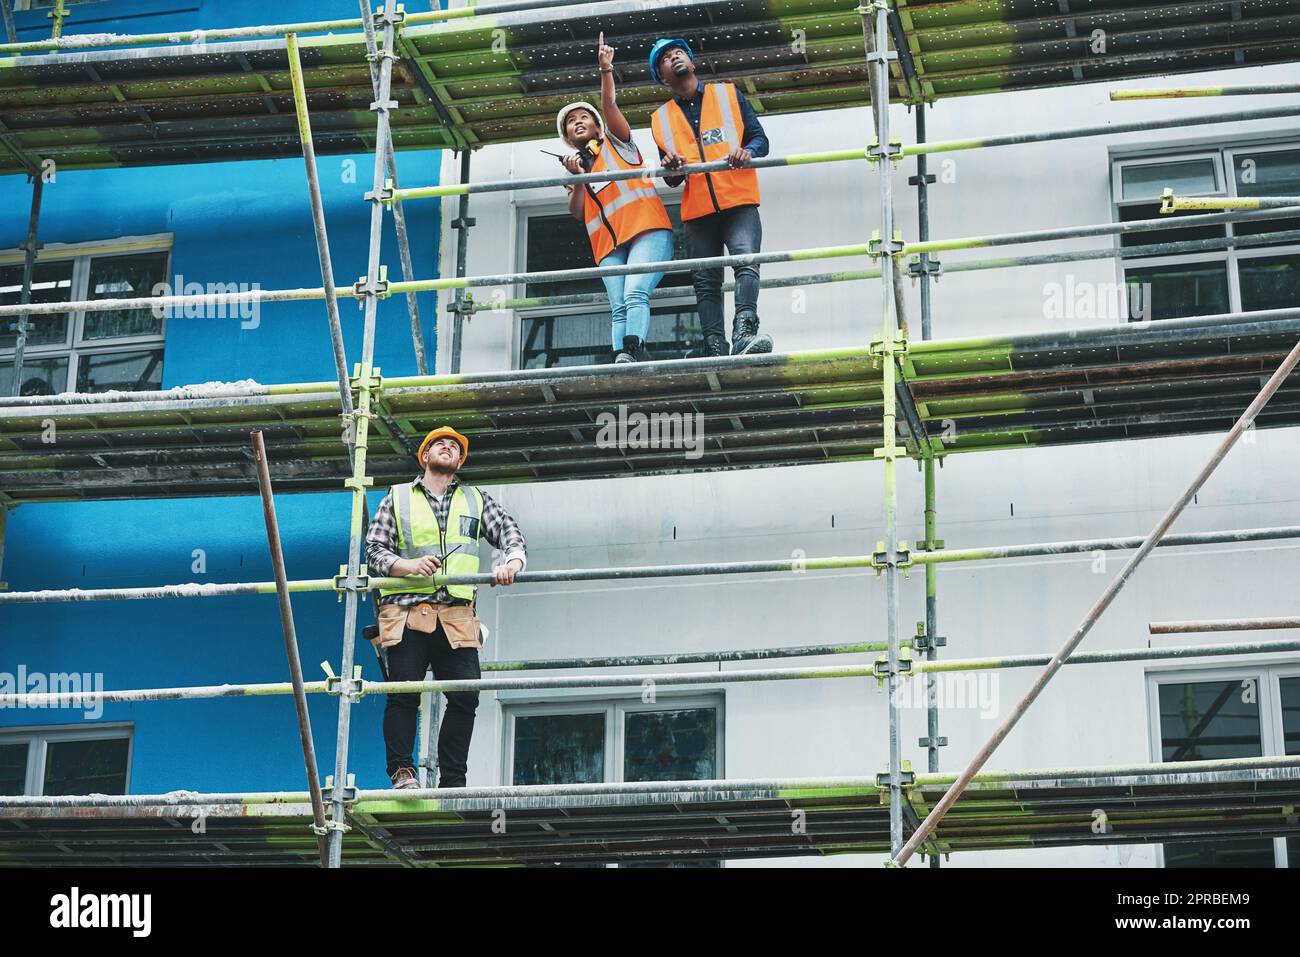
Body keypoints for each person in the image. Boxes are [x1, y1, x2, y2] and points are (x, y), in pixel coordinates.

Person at [364, 426, 528, 789]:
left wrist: (509, 565)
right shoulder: (398, 498)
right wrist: (408, 566)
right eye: (439, 443)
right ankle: (403, 772)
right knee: (404, 693)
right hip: (408, 611)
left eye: (455, 446)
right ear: (425, 456)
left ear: (460, 461)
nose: (448, 446)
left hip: (456, 615)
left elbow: (510, 534)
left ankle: (452, 780)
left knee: (465, 696)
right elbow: (374, 550)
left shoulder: (475, 499)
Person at [648, 37, 774, 358]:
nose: (674, 57)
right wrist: (671, 168)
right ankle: (715, 346)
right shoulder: (660, 119)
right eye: (665, 57)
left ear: (692, 62)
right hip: (698, 210)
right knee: (705, 281)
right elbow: (673, 179)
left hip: (738, 200)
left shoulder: (728, 94)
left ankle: (745, 334)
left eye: (679, 52)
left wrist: (748, 152)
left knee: (745, 263)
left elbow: (760, 139)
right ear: (663, 77)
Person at [558, 32, 674, 364]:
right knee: (618, 304)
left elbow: (609, 105)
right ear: (567, 137)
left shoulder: (618, 142)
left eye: (583, 118)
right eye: (570, 122)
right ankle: (620, 357)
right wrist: (580, 180)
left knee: (636, 291)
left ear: (597, 127)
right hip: (608, 245)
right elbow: (578, 213)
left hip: (646, 230)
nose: (577, 122)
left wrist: (606, 70)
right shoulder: (575, 168)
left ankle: (633, 350)